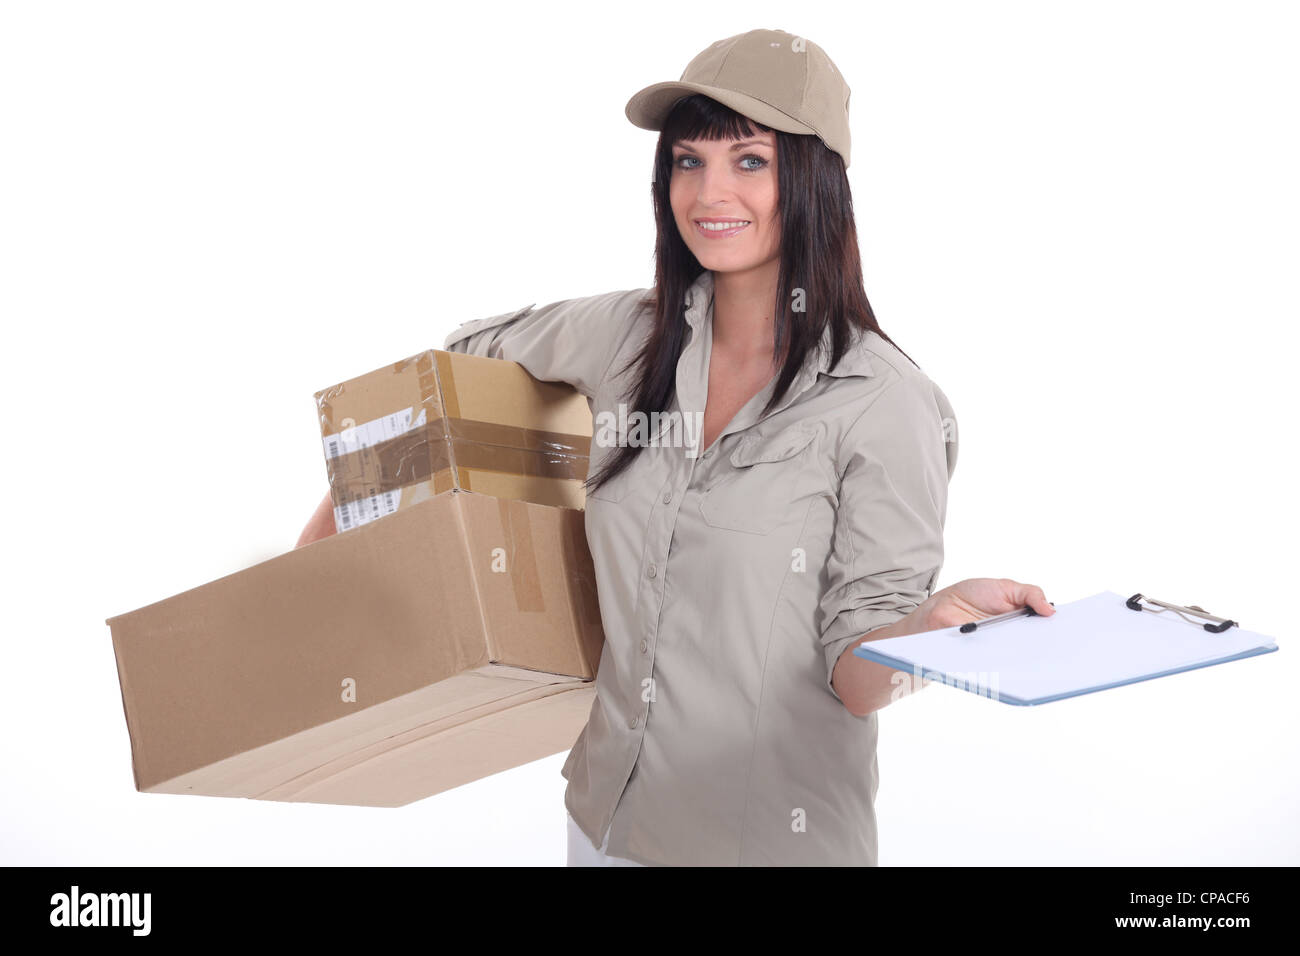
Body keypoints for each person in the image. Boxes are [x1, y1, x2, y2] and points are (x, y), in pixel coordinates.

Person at [298, 28, 1054, 866]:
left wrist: (933, 629)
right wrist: (340, 527)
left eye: (749, 161)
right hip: (603, 826)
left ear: (814, 178)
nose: (707, 192)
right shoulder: (625, 336)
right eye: (687, 160)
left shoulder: (884, 404)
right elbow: (454, 367)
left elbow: (856, 675)